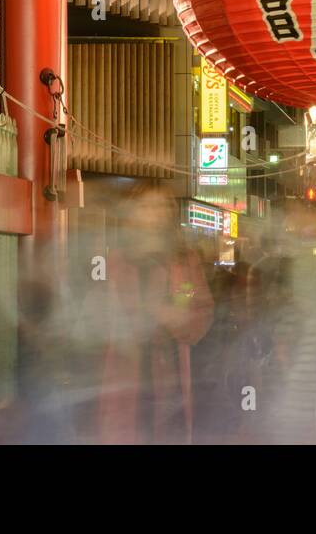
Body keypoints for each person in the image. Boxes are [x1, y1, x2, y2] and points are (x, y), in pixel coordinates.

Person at [97, 184, 213, 444]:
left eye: (162, 206)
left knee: (169, 430)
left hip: (170, 368)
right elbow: (94, 314)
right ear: (131, 214)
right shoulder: (112, 260)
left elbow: (200, 306)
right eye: (147, 206)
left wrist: (180, 317)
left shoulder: (184, 259)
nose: (156, 213)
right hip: (124, 372)